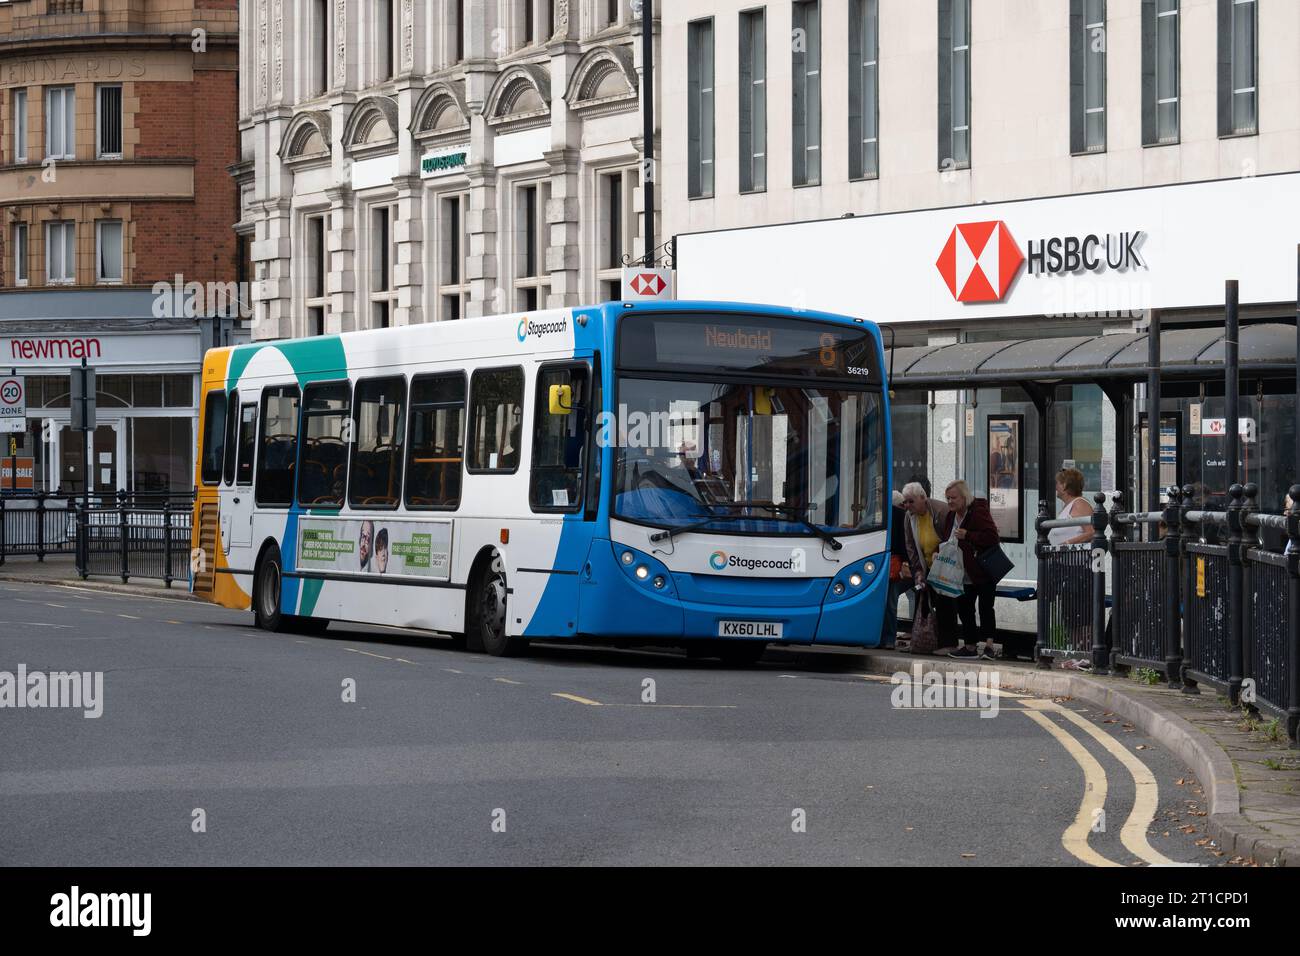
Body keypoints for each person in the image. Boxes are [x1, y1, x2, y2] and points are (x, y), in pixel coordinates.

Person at [940, 479, 1001, 659]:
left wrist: (968, 535)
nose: (950, 501)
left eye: (954, 498)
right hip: (961, 570)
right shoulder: (951, 516)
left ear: (964, 497)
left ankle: (989, 645)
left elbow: (992, 537)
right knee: (965, 608)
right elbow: (946, 537)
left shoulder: (978, 511)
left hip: (982, 570)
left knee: (985, 607)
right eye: (948, 498)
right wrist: (939, 551)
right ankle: (970, 646)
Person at [900, 480, 957, 650]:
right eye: (906, 502)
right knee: (922, 600)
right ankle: (923, 640)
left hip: (944, 564)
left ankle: (948, 643)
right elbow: (910, 546)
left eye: (911, 501)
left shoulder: (940, 511)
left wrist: (941, 553)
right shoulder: (909, 517)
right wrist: (917, 570)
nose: (908, 505)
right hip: (926, 564)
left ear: (923, 497)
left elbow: (951, 538)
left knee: (945, 604)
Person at [882, 490, 909, 646]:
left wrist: (904, 562)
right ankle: (888, 638)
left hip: (892, 562)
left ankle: (887, 638)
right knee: (891, 603)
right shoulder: (900, 515)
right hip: (894, 562)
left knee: (889, 602)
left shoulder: (895, 514)